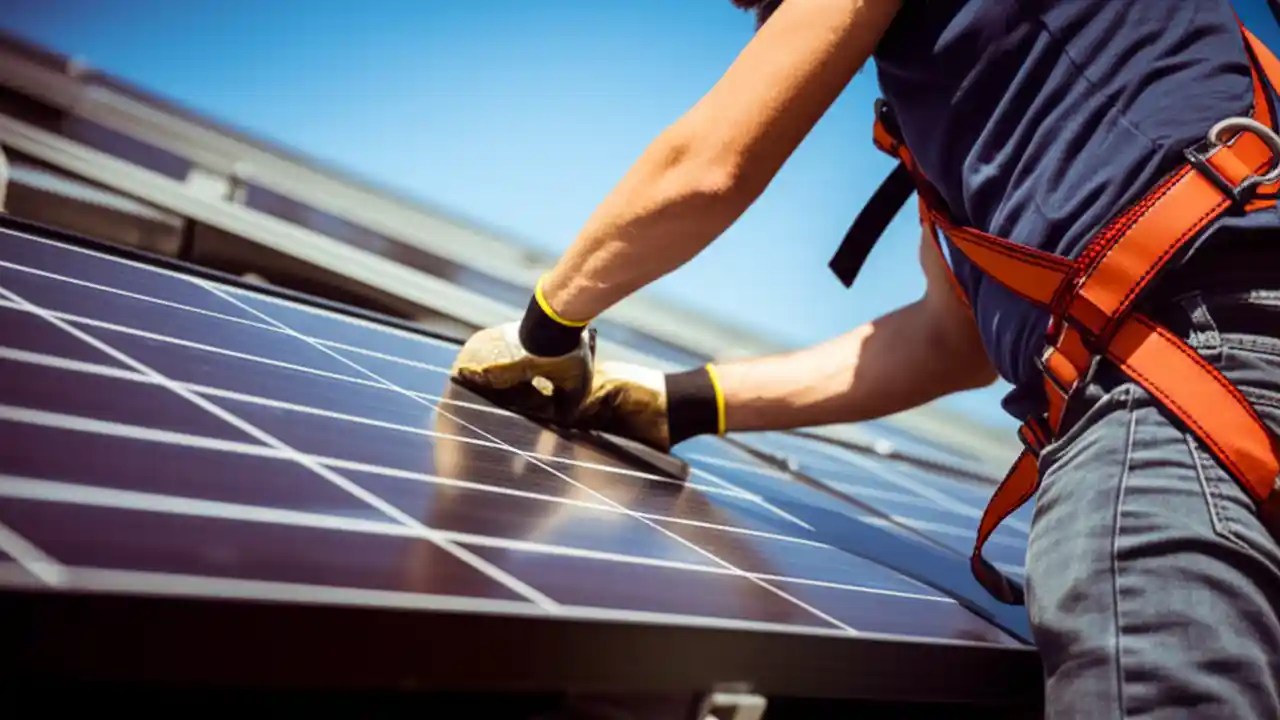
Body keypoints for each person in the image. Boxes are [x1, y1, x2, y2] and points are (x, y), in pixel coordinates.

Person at [452, 1, 1280, 716]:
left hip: (1179, 386)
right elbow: (947, 343)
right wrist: (683, 401)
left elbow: (708, 166)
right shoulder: (1036, 81)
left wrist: (547, 328)